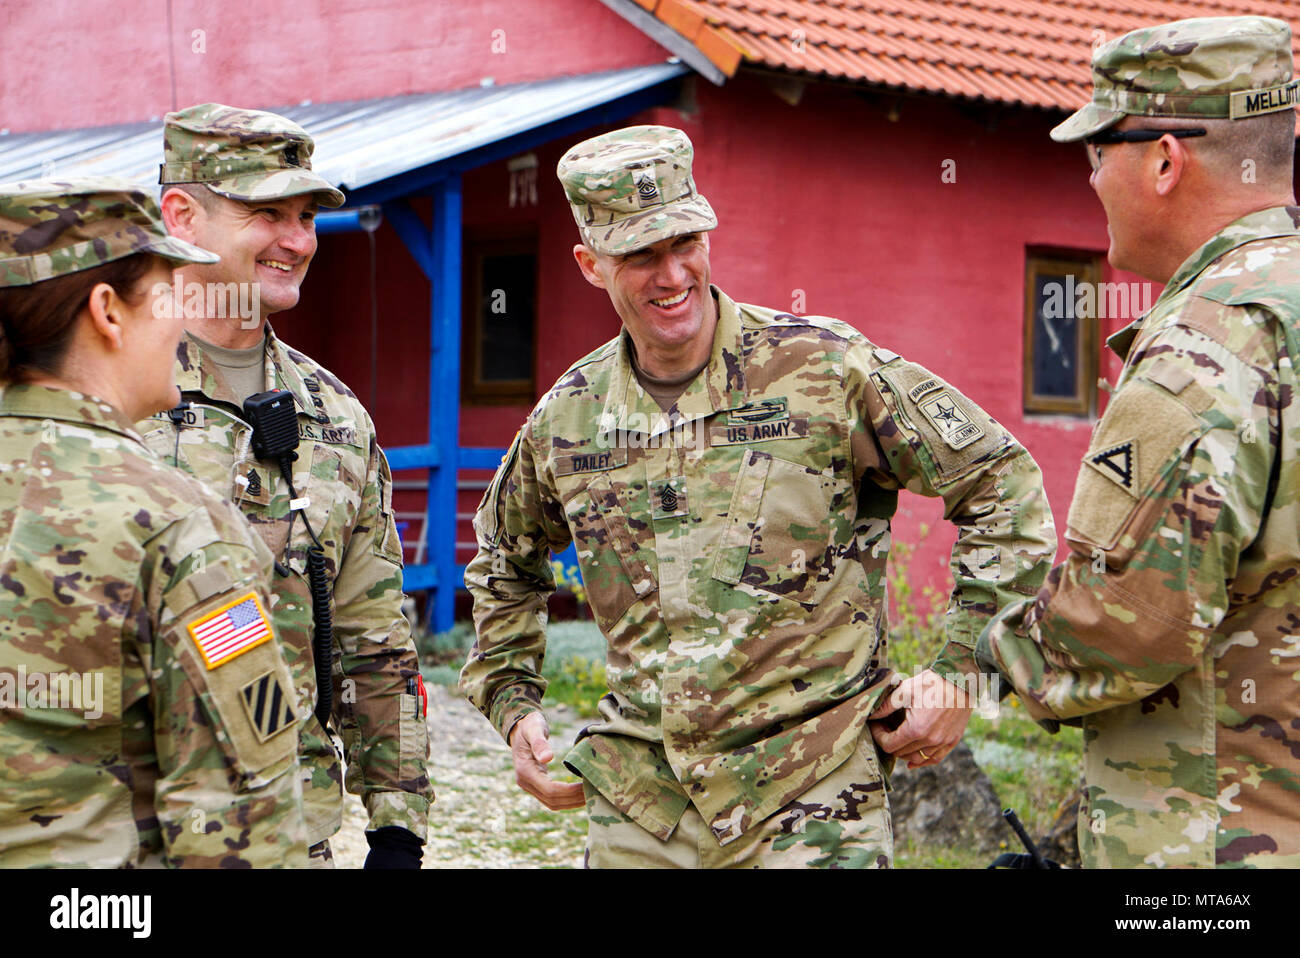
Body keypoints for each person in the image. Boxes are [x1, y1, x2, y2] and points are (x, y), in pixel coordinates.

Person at [461, 125, 1056, 867]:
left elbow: (1001, 481)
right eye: (640, 254)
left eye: (686, 242)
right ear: (590, 264)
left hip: (813, 796)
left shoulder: (824, 369)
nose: (673, 274)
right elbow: (501, 561)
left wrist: (966, 670)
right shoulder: (569, 418)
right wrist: (513, 705)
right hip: (644, 807)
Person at [955, 15, 1300, 868]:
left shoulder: (1207, 347)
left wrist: (981, 663)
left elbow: (1121, 627)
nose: (1090, 178)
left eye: (1095, 151)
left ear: (1163, 160)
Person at [141, 104, 431, 868]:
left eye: (305, 216)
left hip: (289, 836)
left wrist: (397, 825)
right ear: (182, 216)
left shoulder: (334, 415)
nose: (299, 241)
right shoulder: (95, 395)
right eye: (266, 213)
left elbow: (377, 640)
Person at [0, 177, 309, 867]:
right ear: (108, 312)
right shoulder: (175, 525)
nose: (184, 318)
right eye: (172, 290)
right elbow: (238, 832)